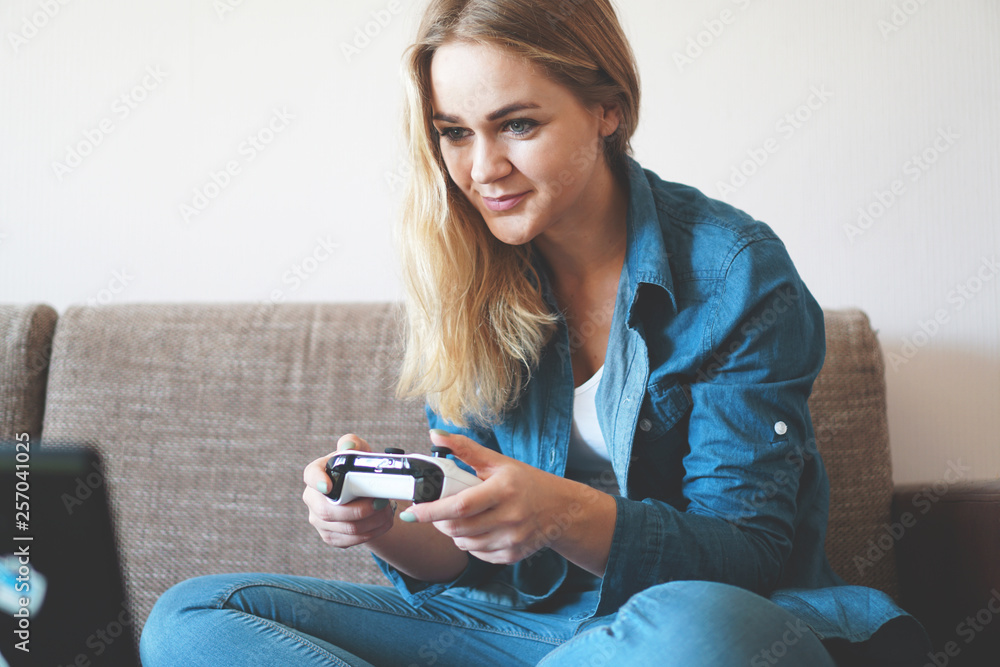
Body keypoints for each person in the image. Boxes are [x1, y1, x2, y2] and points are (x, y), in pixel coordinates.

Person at [140, 0, 931, 664]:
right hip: (520, 632)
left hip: (679, 631)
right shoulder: (464, 267)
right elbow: (462, 555)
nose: (482, 168)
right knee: (193, 617)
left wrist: (560, 512)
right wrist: (387, 527)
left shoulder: (734, 271)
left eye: (516, 124)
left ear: (607, 108)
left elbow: (745, 555)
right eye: (454, 132)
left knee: (707, 631)